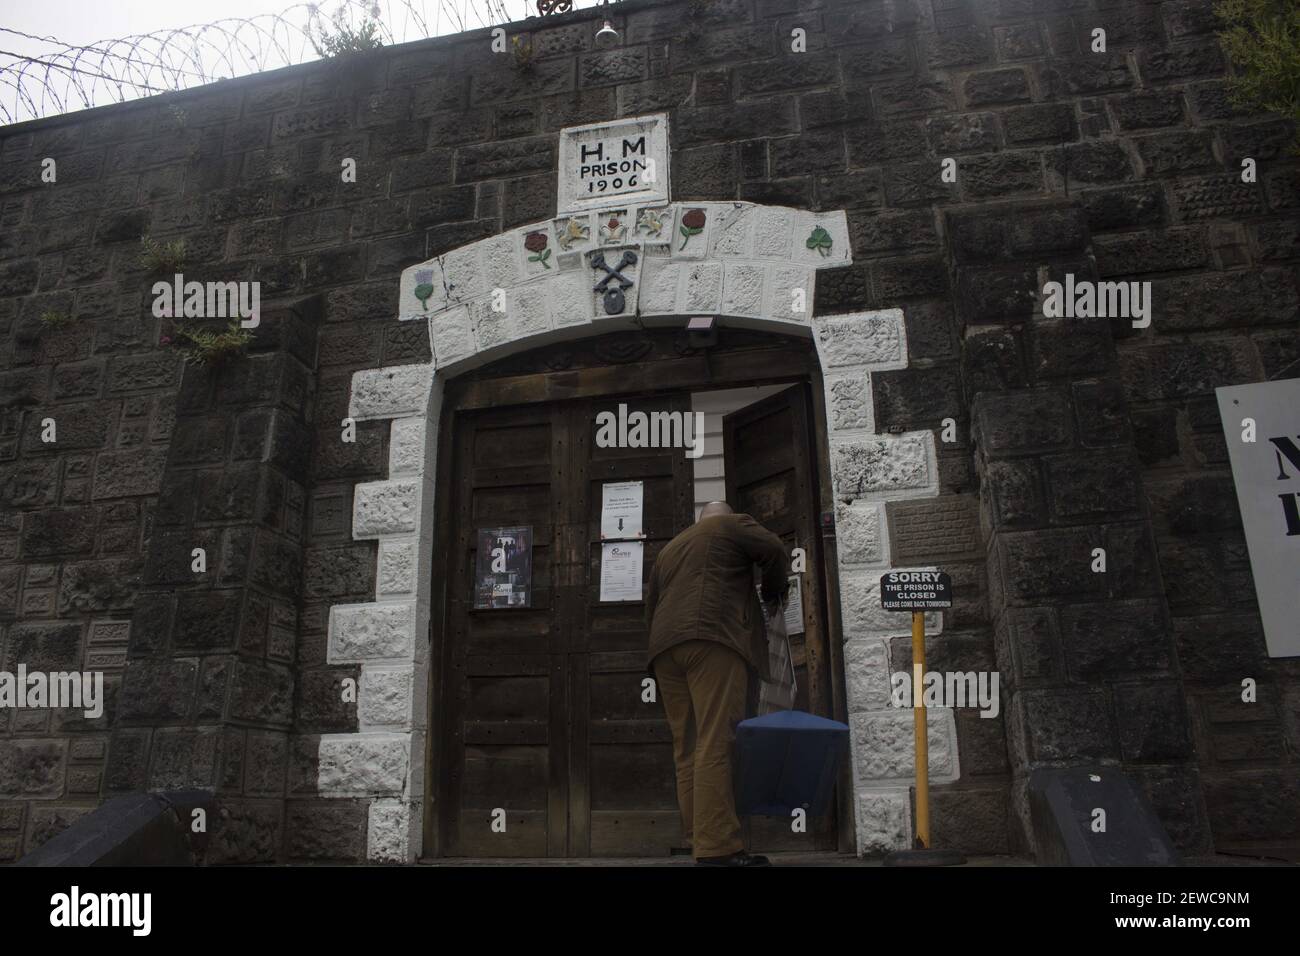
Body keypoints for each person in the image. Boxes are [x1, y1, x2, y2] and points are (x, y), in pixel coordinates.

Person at [644, 500, 789, 867]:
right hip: (713, 636)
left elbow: (652, 605)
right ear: (724, 515)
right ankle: (719, 849)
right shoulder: (729, 525)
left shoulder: (669, 550)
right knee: (715, 738)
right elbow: (773, 548)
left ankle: (699, 839)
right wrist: (773, 592)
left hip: (665, 650)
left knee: (688, 746)